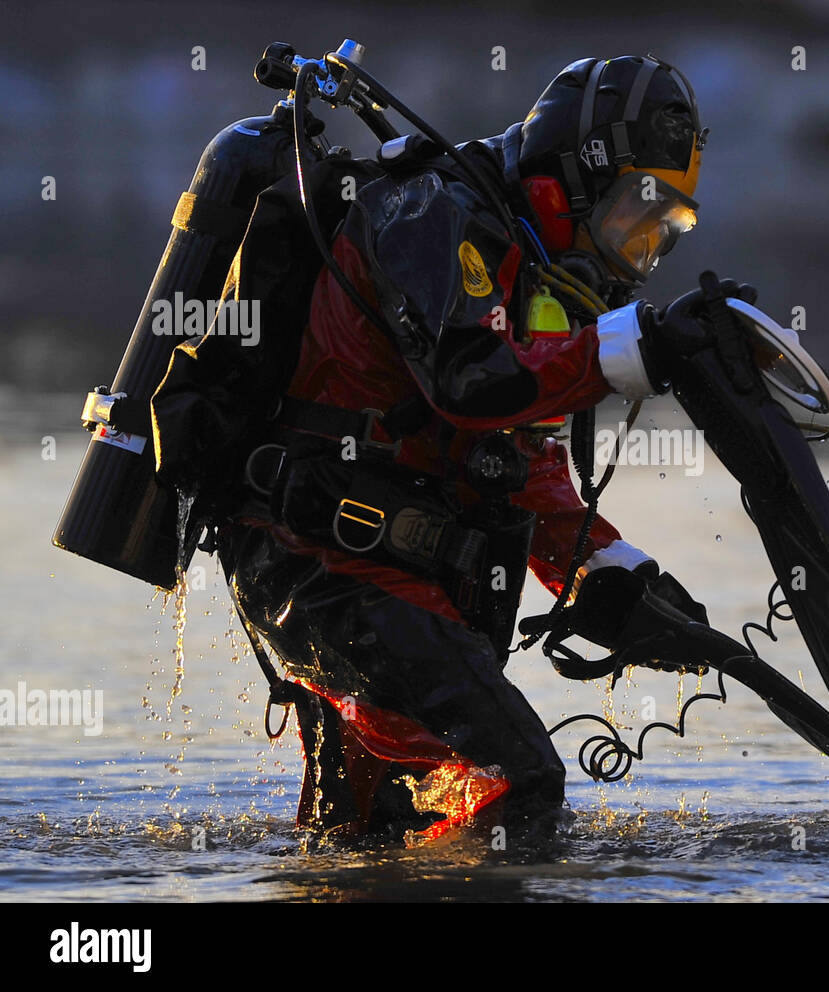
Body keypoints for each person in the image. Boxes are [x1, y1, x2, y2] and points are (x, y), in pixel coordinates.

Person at [150, 55, 752, 847]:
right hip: (321, 568)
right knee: (519, 780)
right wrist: (621, 352)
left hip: (387, 581)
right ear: (570, 178)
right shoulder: (429, 215)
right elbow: (472, 382)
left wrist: (617, 572)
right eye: (630, 219)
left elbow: (525, 464)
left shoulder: (529, 268)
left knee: (361, 839)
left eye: (658, 235)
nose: (631, 255)